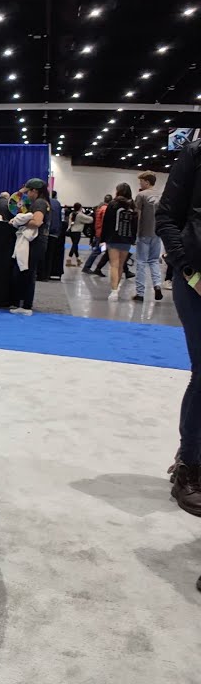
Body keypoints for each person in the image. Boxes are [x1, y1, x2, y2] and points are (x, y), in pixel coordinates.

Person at [155, 138, 201, 516]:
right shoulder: (196, 153)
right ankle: (189, 464)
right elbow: (167, 217)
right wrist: (189, 270)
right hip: (197, 279)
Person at [7, 178, 52, 315]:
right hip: (39, 242)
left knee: (28, 273)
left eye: (28, 192)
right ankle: (25, 304)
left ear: (35, 191)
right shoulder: (44, 202)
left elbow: (37, 222)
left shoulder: (39, 203)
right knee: (28, 272)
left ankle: (26, 305)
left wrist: (18, 222)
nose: (27, 195)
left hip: (35, 242)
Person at [103, 183, 138, 301]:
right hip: (127, 239)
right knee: (121, 265)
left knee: (114, 264)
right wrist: (133, 238)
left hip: (113, 238)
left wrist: (103, 239)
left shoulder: (113, 204)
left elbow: (107, 222)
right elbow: (135, 224)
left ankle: (114, 291)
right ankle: (116, 288)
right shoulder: (132, 205)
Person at [132, 172, 164, 302]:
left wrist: (135, 233)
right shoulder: (161, 195)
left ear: (147, 182)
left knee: (141, 262)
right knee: (154, 260)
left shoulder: (141, 195)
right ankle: (157, 285)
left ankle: (140, 293)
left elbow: (137, 215)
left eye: (141, 181)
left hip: (144, 233)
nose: (140, 184)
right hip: (157, 233)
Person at [83, 194, 113, 274]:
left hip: (99, 232)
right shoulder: (105, 209)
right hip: (102, 234)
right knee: (98, 251)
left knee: (101, 251)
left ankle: (96, 268)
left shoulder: (100, 208)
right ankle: (88, 267)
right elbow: (105, 222)